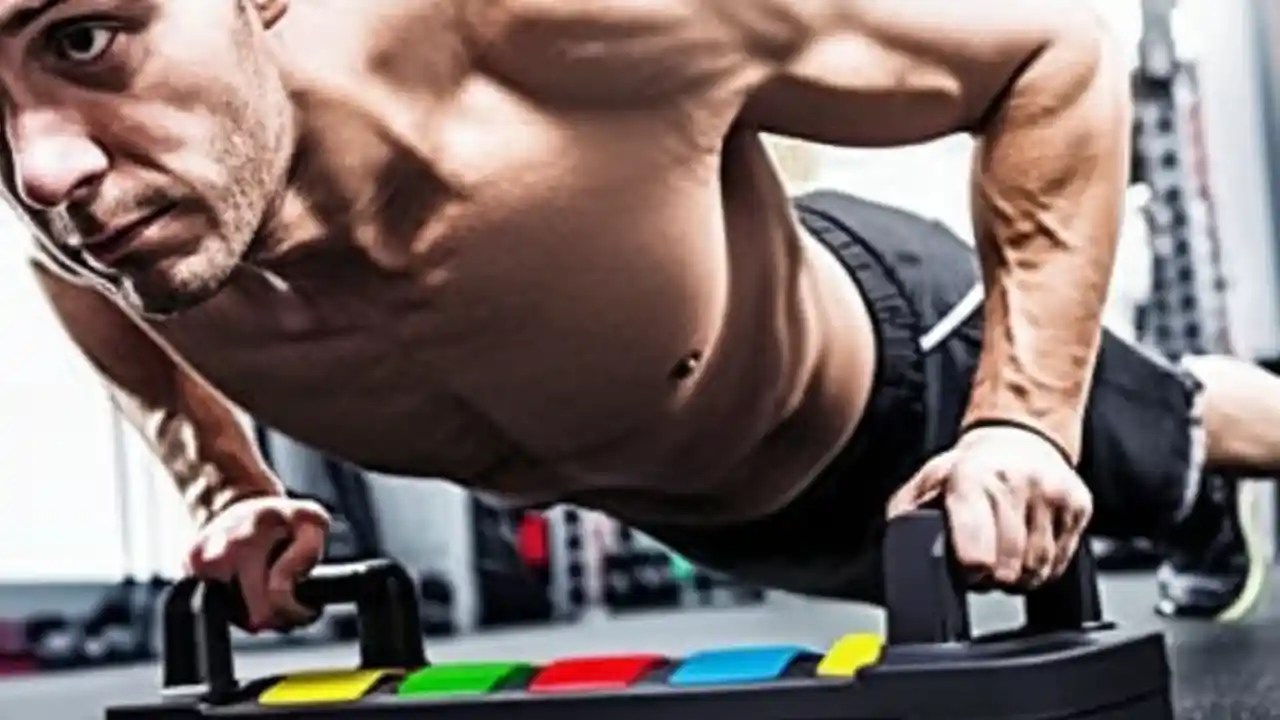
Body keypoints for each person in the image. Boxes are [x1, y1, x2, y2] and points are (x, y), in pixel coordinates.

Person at [0, 0, 1271, 633]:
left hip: (902, 382)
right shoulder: (98, 222)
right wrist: (223, 486)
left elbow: (1047, 54)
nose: (44, 175)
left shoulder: (553, 38)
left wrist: (1027, 425)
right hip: (720, 518)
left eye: (86, 36)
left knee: (1207, 424)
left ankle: (1187, 441)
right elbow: (81, 293)